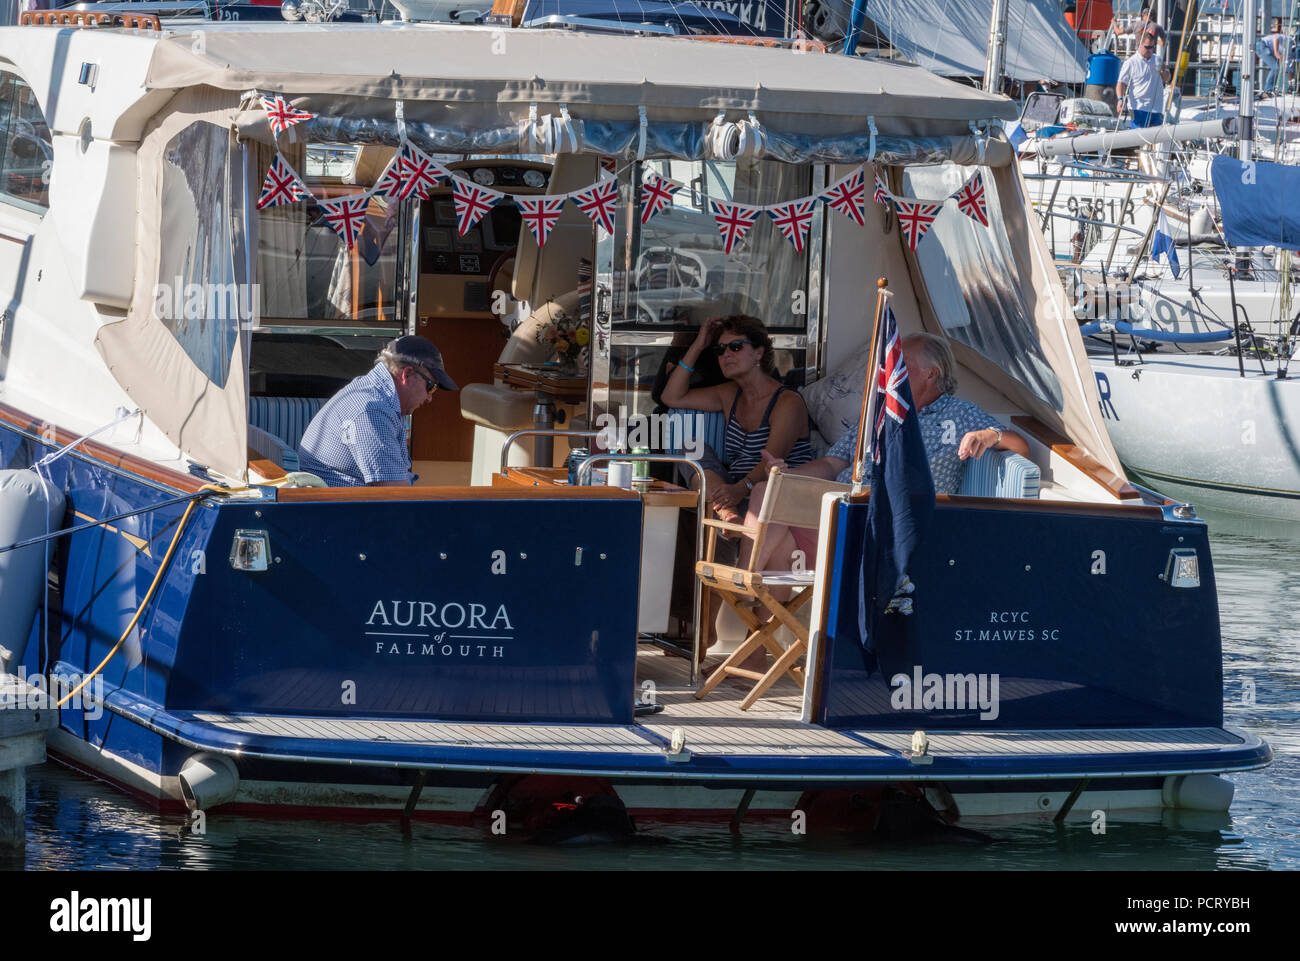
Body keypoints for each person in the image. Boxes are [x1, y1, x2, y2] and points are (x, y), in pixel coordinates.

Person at [745, 332, 1029, 573]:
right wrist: (788, 476)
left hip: (885, 525)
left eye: (900, 365)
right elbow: (834, 463)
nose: (890, 372)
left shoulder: (959, 413)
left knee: (769, 511)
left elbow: (1021, 447)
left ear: (931, 374)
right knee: (768, 493)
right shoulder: (878, 412)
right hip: (843, 506)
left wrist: (991, 434)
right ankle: (754, 620)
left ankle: (738, 589)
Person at [660, 315, 814, 523]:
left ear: (759, 352)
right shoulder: (730, 394)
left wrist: (739, 490)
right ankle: (730, 516)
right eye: (720, 349)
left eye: (736, 346)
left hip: (773, 495)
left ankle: (729, 518)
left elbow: (772, 462)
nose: (726, 354)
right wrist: (699, 345)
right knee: (691, 446)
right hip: (733, 492)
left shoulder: (787, 402)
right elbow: (671, 397)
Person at [297, 335, 457, 487]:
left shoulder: (376, 394)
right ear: (406, 374)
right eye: (431, 387)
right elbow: (394, 494)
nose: (429, 398)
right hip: (341, 511)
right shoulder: (373, 410)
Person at [1116, 28, 1171, 128]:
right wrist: (1120, 99)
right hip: (1138, 109)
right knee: (1140, 140)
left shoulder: (1157, 60)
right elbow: (1121, 83)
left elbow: (1166, 79)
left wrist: (1163, 71)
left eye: (1152, 47)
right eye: (1147, 47)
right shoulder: (1131, 62)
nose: (1150, 50)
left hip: (1156, 109)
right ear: (1139, 45)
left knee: (1155, 142)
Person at [1257, 20, 1289, 96]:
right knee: (1275, 68)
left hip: (1264, 46)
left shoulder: (1288, 44)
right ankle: (1268, 90)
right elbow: (1276, 38)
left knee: (1276, 68)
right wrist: (1276, 52)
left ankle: (1271, 89)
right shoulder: (1289, 39)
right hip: (1262, 46)